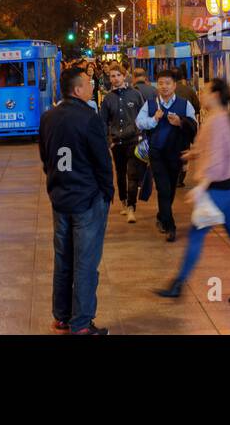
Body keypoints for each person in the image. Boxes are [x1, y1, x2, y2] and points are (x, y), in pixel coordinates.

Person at [156, 78, 230, 303]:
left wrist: (201, 186)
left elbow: (216, 157)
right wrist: (193, 154)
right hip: (227, 187)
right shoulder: (220, 118)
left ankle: (178, 284)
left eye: (204, 91)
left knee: (196, 235)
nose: (200, 94)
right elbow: (218, 150)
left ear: (214, 95)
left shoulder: (217, 120)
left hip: (217, 189)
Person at [40, 66, 113, 335]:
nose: (93, 87)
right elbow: (103, 162)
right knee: (85, 262)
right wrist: (107, 193)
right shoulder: (89, 118)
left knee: (63, 259)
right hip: (87, 201)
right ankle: (81, 323)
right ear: (78, 89)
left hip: (60, 199)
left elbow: (45, 157)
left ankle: (61, 316)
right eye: (89, 83)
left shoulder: (48, 118)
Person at [136, 68, 198, 242]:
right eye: (161, 83)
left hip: (176, 153)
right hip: (156, 153)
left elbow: (194, 125)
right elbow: (139, 122)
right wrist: (153, 120)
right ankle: (170, 225)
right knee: (163, 188)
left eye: (168, 83)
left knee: (170, 188)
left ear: (174, 85)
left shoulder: (184, 104)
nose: (164, 87)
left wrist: (180, 122)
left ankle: (161, 216)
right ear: (157, 85)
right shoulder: (150, 104)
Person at [100, 66, 146, 224]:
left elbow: (143, 116)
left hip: (133, 140)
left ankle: (132, 207)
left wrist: (143, 137)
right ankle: (124, 201)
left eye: (118, 75)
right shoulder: (107, 99)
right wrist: (108, 141)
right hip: (117, 143)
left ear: (124, 76)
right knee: (120, 173)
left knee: (132, 174)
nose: (115, 78)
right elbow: (103, 122)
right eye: (112, 76)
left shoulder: (136, 94)